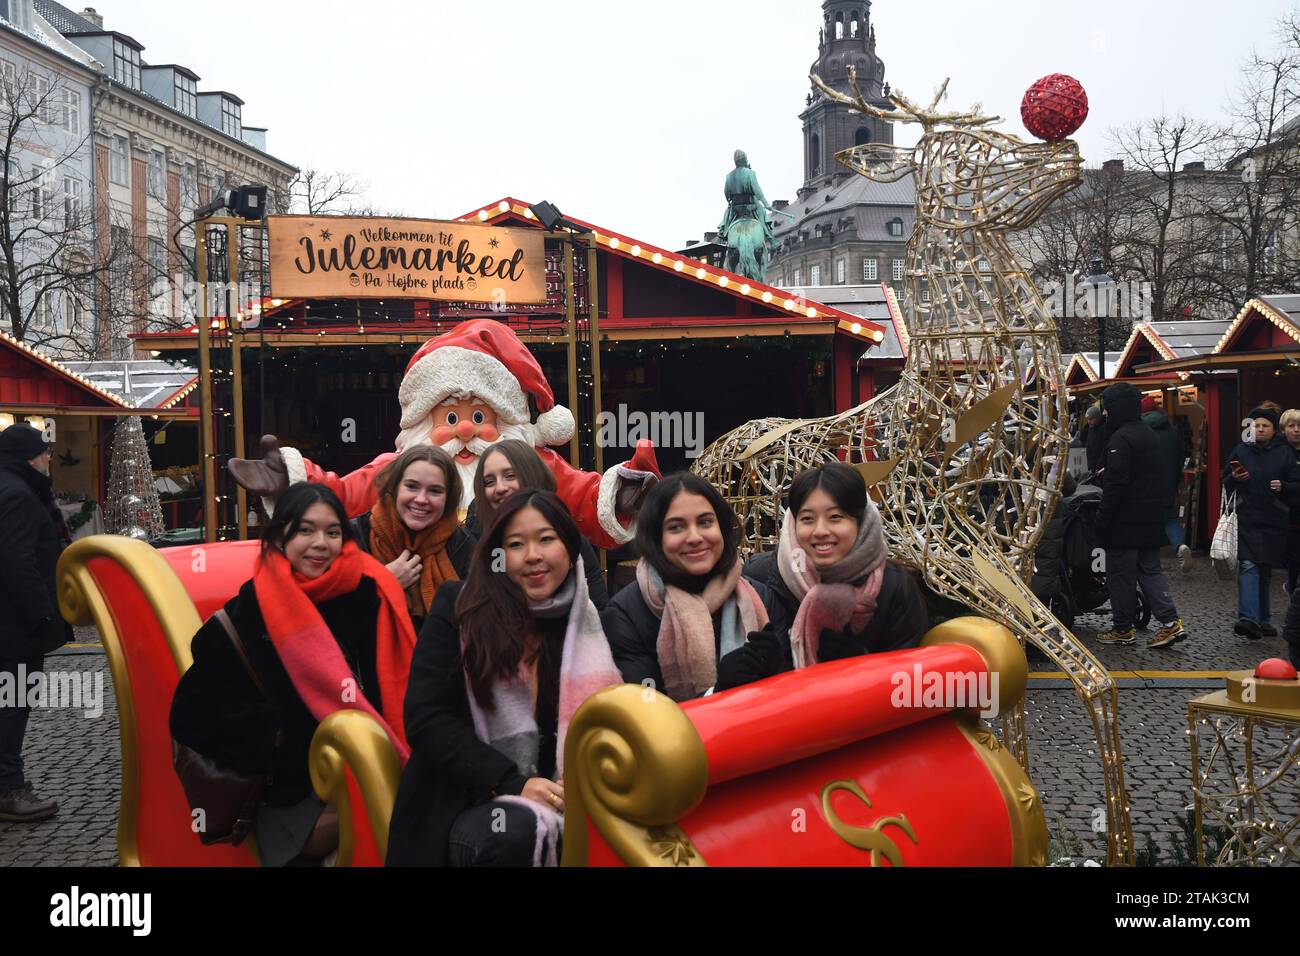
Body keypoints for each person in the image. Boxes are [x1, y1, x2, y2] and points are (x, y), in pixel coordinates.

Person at [170, 483, 417, 866]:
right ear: (280, 536)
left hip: (373, 766)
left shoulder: (367, 598)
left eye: (332, 532)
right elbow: (190, 717)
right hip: (292, 796)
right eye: (305, 530)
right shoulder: (243, 618)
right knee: (397, 821)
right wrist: (282, 739)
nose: (320, 543)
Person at [386, 490, 622, 866]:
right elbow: (426, 718)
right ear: (497, 555)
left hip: (564, 797)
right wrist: (512, 783)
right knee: (512, 832)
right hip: (465, 799)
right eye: (516, 544)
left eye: (547, 539)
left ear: (569, 547)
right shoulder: (459, 607)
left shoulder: (582, 622)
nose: (533, 556)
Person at [602, 473, 789, 701]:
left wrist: (777, 670)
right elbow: (643, 711)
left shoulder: (762, 597)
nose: (695, 537)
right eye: (676, 527)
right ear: (655, 538)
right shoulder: (626, 613)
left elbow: (791, 700)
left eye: (705, 522)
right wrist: (716, 692)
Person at [743, 463, 927, 667]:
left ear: (861, 523)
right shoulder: (762, 577)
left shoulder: (894, 585)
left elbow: (904, 674)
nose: (820, 530)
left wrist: (862, 666)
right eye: (807, 519)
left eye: (835, 517)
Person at [0, 423, 69, 822]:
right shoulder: (19, 494)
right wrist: (42, 613)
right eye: (44, 454)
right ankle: (8, 788)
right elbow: (16, 561)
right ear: (30, 457)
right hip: (15, 627)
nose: (48, 460)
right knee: (12, 703)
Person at [1094, 382, 1188, 649]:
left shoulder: (1120, 438)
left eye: (1108, 408)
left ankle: (1123, 628)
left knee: (1121, 576)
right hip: (1150, 516)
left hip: (1125, 520)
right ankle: (1171, 623)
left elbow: (1116, 484)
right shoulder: (1148, 434)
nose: (1106, 414)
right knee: (1150, 571)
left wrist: (1102, 519)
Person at [467, 439, 609, 609]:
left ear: (531, 475)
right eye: (489, 481)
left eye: (510, 476)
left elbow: (599, 608)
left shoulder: (568, 537)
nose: (500, 488)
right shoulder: (474, 538)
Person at [352, 446, 475, 633]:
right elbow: (336, 622)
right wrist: (382, 584)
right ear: (394, 487)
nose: (421, 499)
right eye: (412, 486)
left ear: (448, 498)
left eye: (435, 491)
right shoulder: (355, 535)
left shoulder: (465, 547)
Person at [1222, 406, 1300, 640]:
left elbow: (1295, 483)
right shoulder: (1240, 450)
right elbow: (1224, 482)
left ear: (1273, 429)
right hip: (1247, 518)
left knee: (1265, 569)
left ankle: (1263, 620)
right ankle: (1248, 618)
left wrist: (1283, 488)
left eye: (1265, 425)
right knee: (1248, 565)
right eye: (1256, 425)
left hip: (1274, 520)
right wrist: (1233, 478)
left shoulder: (1285, 452)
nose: (1260, 429)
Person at [1141, 395, 1192, 573]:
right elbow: (1181, 457)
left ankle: (1151, 560)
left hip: (1147, 485)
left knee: (1147, 522)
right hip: (1168, 483)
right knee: (1169, 519)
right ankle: (1180, 546)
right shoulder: (1171, 430)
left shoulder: (1141, 431)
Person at [1281, 408, 1300, 593]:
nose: (1296, 429)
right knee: (1294, 562)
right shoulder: (1280, 453)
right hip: (1289, 518)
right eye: (1291, 425)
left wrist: (1287, 486)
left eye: (1299, 425)